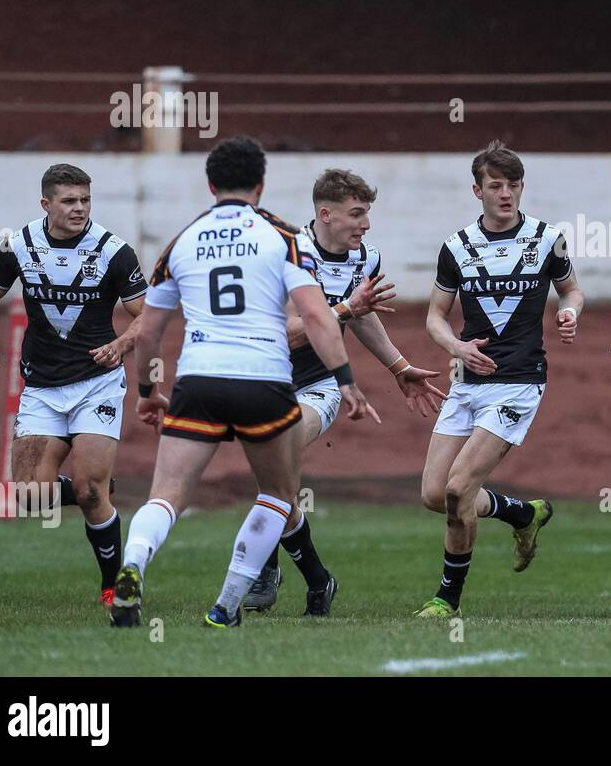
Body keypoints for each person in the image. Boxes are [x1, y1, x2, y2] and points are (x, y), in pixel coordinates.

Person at [109, 137, 377, 629]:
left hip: (198, 379)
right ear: (261, 184)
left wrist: (148, 393)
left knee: (165, 494)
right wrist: (346, 380)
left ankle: (132, 568)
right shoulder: (285, 238)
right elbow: (317, 317)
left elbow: (148, 330)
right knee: (278, 493)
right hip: (264, 381)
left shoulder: (182, 241)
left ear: (210, 185)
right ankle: (226, 606)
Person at [242, 168, 445, 616]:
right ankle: (317, 579)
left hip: (319, 385)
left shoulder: (365, 257)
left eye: (367, 213)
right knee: (276, 483)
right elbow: (290, 334)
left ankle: (263, 567)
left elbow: (363, 316)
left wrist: (399, 367)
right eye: (357, 214)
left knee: (282, 446)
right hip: (264, 382)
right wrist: (344, 308)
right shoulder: (287, 253)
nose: (365, 224)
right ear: (325, 213)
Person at [412, 141, 584, 618]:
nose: (505, 194)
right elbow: (434, 317)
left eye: (513, 185)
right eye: (495, 185)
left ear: (521, 188)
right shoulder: (457, 247)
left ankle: (447, 599)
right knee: (433, 494)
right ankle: (523, 514)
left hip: (519, 383)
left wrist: (569, 312)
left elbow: (571, 290)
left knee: (457, 488)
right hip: (467, 381)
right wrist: (456, 347)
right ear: (477, 190)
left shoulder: (549, 239)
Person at [0, 163, 146, 604]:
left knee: (89, 489)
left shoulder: (113, 251)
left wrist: (123, 343)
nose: (80, 209)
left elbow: (148, 315)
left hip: (98, 383)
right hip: (42, 386)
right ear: (45, 204)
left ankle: (114, 586)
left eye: (86, 200)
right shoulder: (19, 244)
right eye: (69, 201)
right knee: (30, 497)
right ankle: (93, 488)